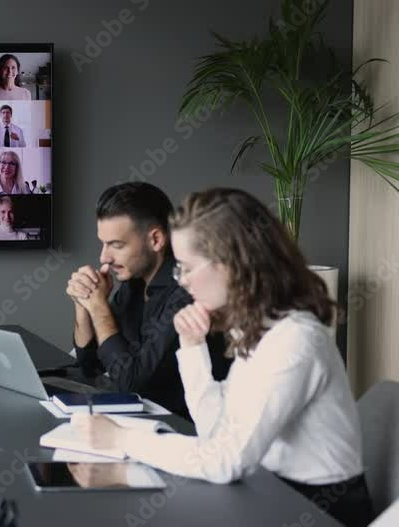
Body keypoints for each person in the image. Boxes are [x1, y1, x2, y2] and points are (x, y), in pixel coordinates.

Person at [73, 188, 373, 527]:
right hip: (265, 491)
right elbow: (215, 431)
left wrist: (123, 439)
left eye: (186, 268)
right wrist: (192, 348)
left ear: (229, 263)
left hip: (318, 512)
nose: (182, 281)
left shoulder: (293, 340)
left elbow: (226, 460)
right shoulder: (257, 326)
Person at [65, 183, 229, 419]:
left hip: (184, 429)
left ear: (155, 240)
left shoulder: (187, 292)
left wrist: (100, 308)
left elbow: (130, 383)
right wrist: (83, 306)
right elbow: (91, 366)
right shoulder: (133, 284)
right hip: (141, 419)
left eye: (116, 245)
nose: (104, 257)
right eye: (103, 243)